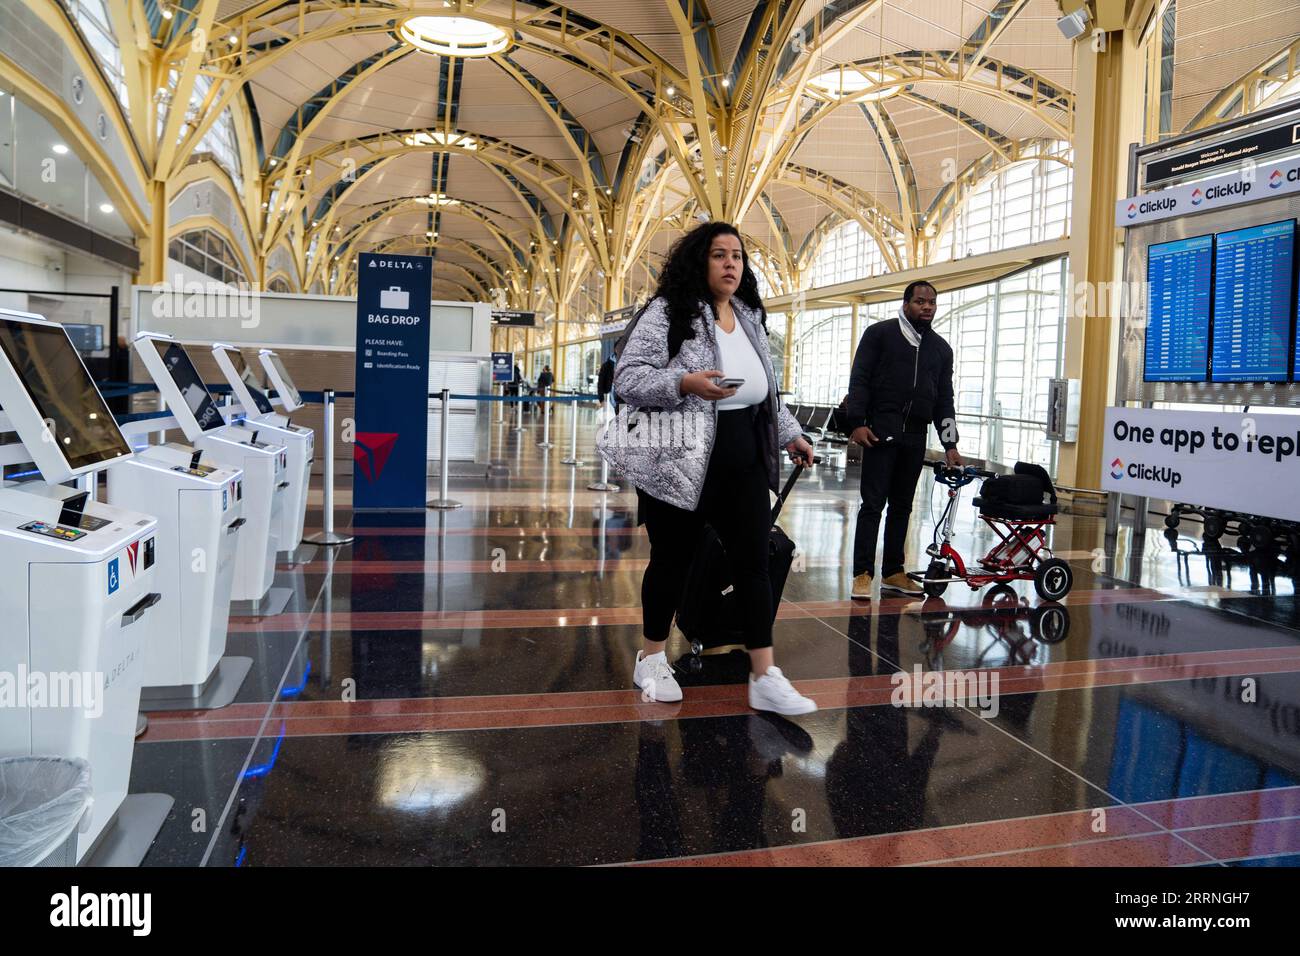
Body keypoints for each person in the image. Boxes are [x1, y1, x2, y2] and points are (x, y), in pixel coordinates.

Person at [598, 221, 818, 715]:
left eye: (737, 256)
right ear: (699, 262)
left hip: (744, 461)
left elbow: (766, 390)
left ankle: (763, 673)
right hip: (680, 461)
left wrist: (792, 434)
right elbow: (628, 378)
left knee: (753, 566)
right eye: (719, 255)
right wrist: (685, 383)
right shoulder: (668, 312)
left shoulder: (748, 316)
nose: (730, 264)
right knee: (672, 562)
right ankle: (651, 658)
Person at [844, 280, 963, 599]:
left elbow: (944, 400)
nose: (927, 307)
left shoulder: (941, 349)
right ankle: (862, 574)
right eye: (920, 301)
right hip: (880, 432)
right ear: (906, 303)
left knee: (903, 506)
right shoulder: (880, 334)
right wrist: (856, 423)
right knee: (872, 505)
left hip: (915, 436)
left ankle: (893, 571)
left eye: (932, 303)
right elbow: (860, 379)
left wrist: (950, 444)